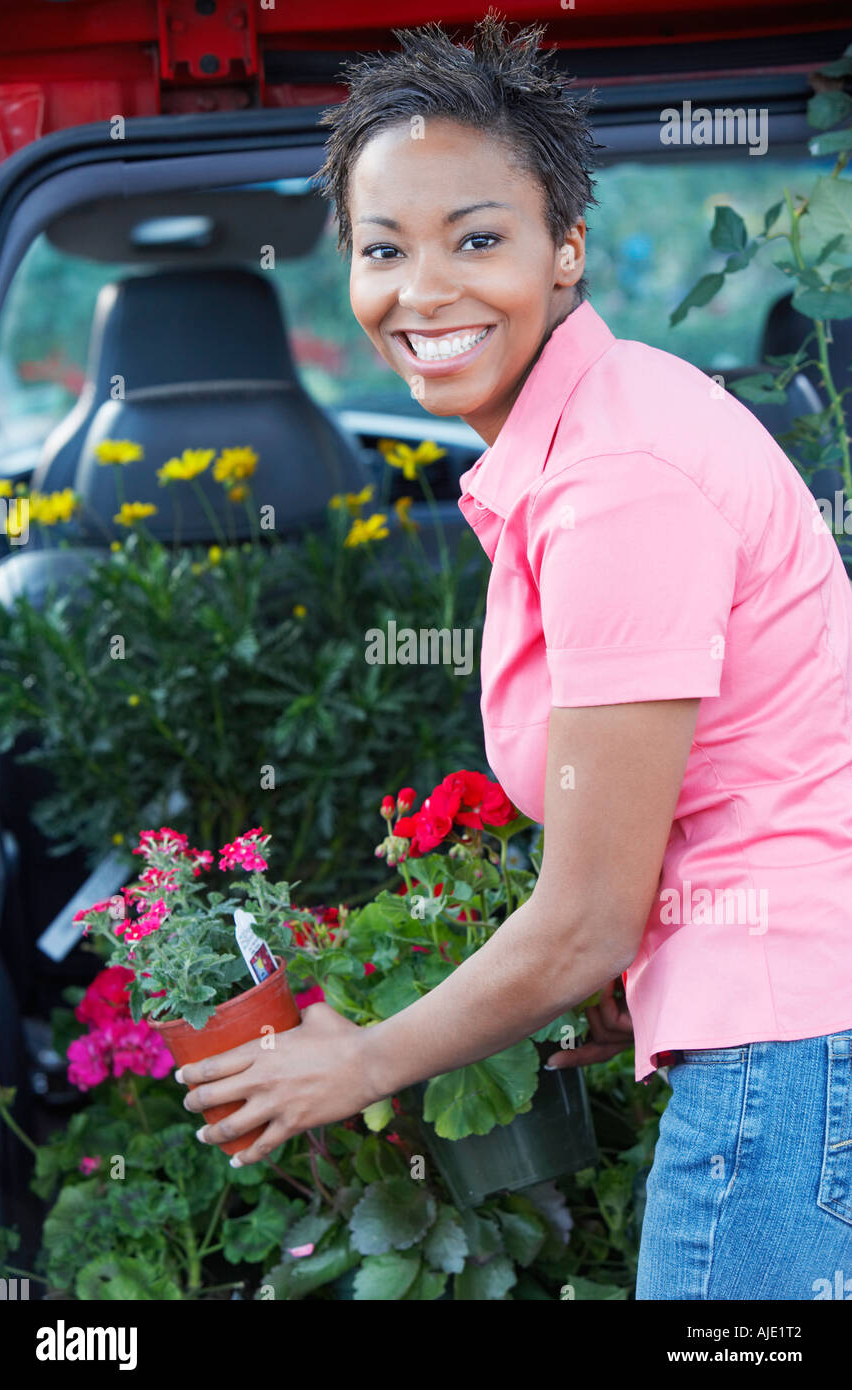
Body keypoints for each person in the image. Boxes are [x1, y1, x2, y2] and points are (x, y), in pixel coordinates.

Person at [176, 16, 852, 1299]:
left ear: (566, 252)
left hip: (789, 1049)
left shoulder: (616, 479)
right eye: (384, 250)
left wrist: (360, 1058)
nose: (421, 292)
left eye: (475, 238)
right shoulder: (593, 437)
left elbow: (587, 913)